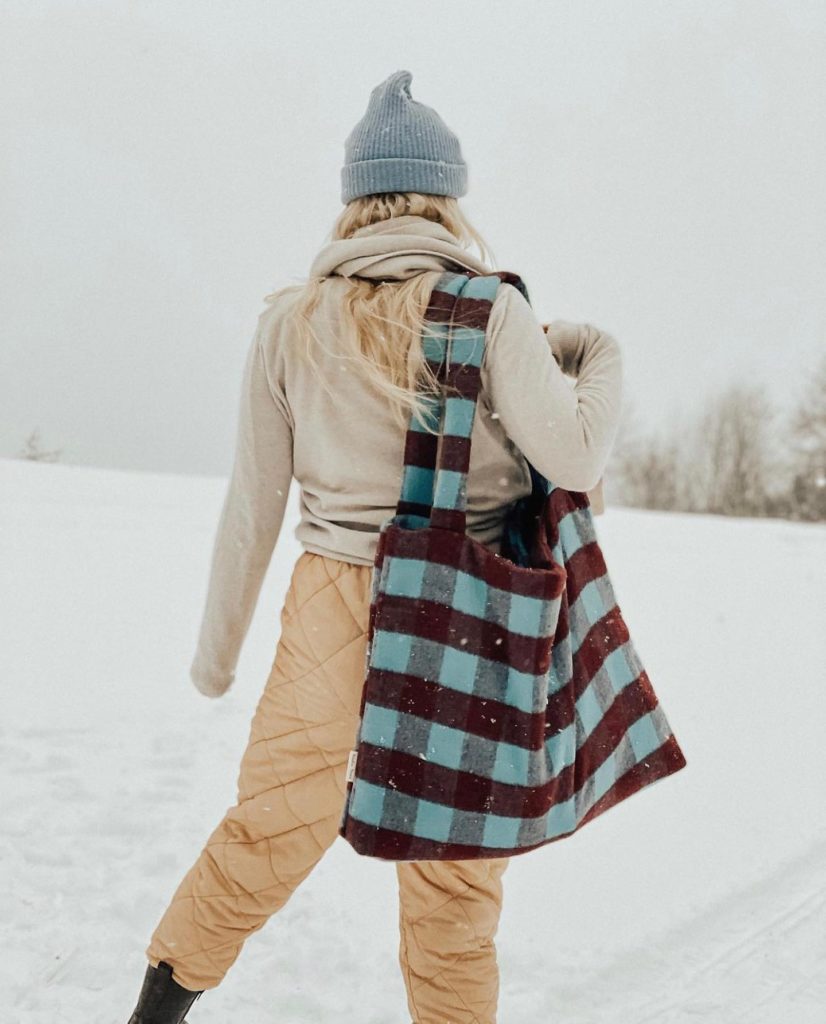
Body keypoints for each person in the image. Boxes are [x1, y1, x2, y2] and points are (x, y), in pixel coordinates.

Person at [126, 68, 623, 1024]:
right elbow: (573, 454)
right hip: (462, 606)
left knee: (272, 822)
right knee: (451, 872)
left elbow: (253, 509)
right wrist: (600, 359)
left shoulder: (292, 320)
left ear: (354, 199)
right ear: (446, 197)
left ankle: (157, 1008)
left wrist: (215, 658)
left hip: (331, 596)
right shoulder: (491, 311)